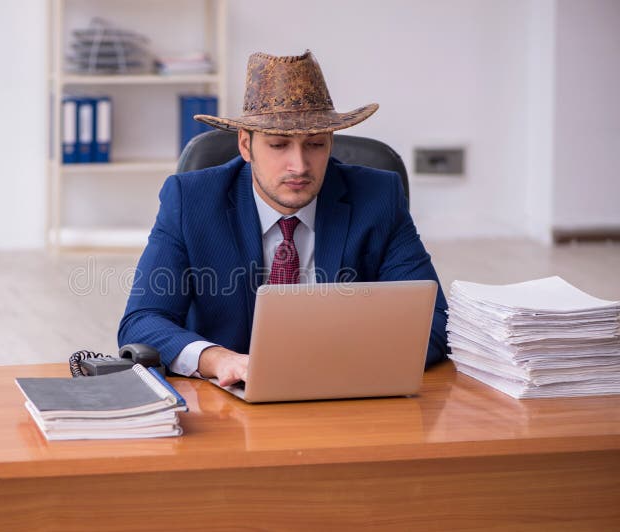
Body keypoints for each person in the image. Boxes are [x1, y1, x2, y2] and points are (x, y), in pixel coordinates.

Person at [118, 50, 448, 386]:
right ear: (246, 146)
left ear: (331, 143)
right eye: (278, 145)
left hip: (346, 393)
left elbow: (433, 320)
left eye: (315, 144)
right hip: (229, 399)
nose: (300, 166)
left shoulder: (378, 197)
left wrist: (337, 362)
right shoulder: (191, 200)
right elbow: (143, 321)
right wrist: (218, 360)